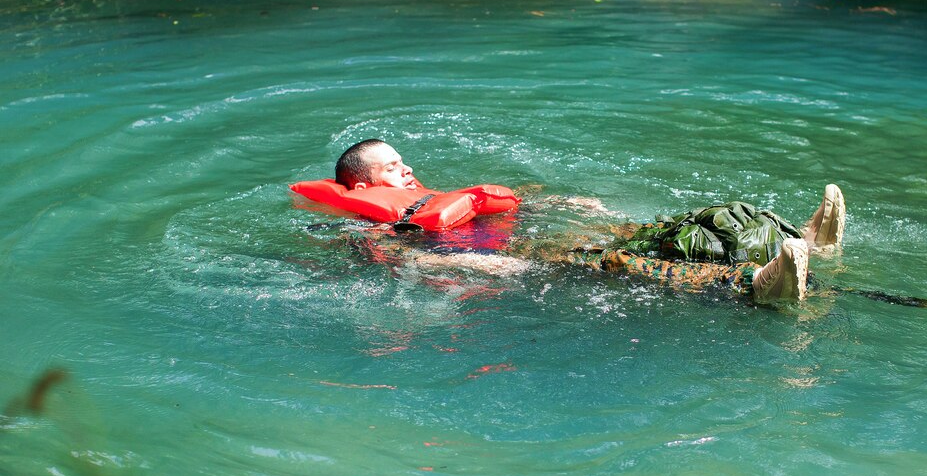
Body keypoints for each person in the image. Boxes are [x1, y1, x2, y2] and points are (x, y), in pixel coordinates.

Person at [323, 139, 846, 303]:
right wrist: (482, 274)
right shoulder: (373, 226)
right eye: (394, 166)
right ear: (366, 186)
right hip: (522, 261)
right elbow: (399, 262)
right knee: (623, 264)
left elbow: (510, 200)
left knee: (669, 230)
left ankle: (803, 242)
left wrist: (567, 202)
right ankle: (753, 284)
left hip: (548, 237)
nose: (407, 168)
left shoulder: (436, 196)